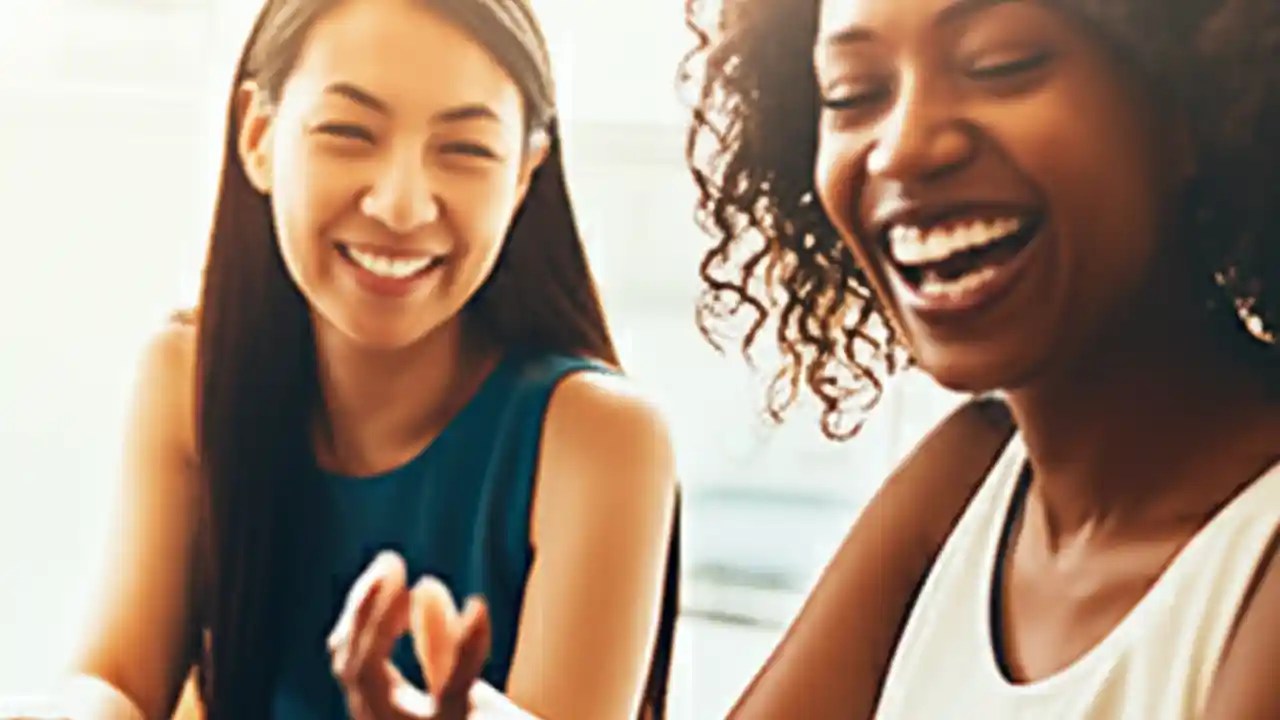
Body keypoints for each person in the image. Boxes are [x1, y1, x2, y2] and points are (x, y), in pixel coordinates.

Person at [22, 0, 681, 718]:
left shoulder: (599, 438)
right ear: (259, 136)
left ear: (524, 176)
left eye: (464, 150)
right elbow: (118, 681)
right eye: (347, 132)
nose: (401, 207)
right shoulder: (187, 379)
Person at [682, 0, 1280, 717]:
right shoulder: (966, 477)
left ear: (1192, 103)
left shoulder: (1257, 554)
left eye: (1001, 66)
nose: (902, 147)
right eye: (852, 93)